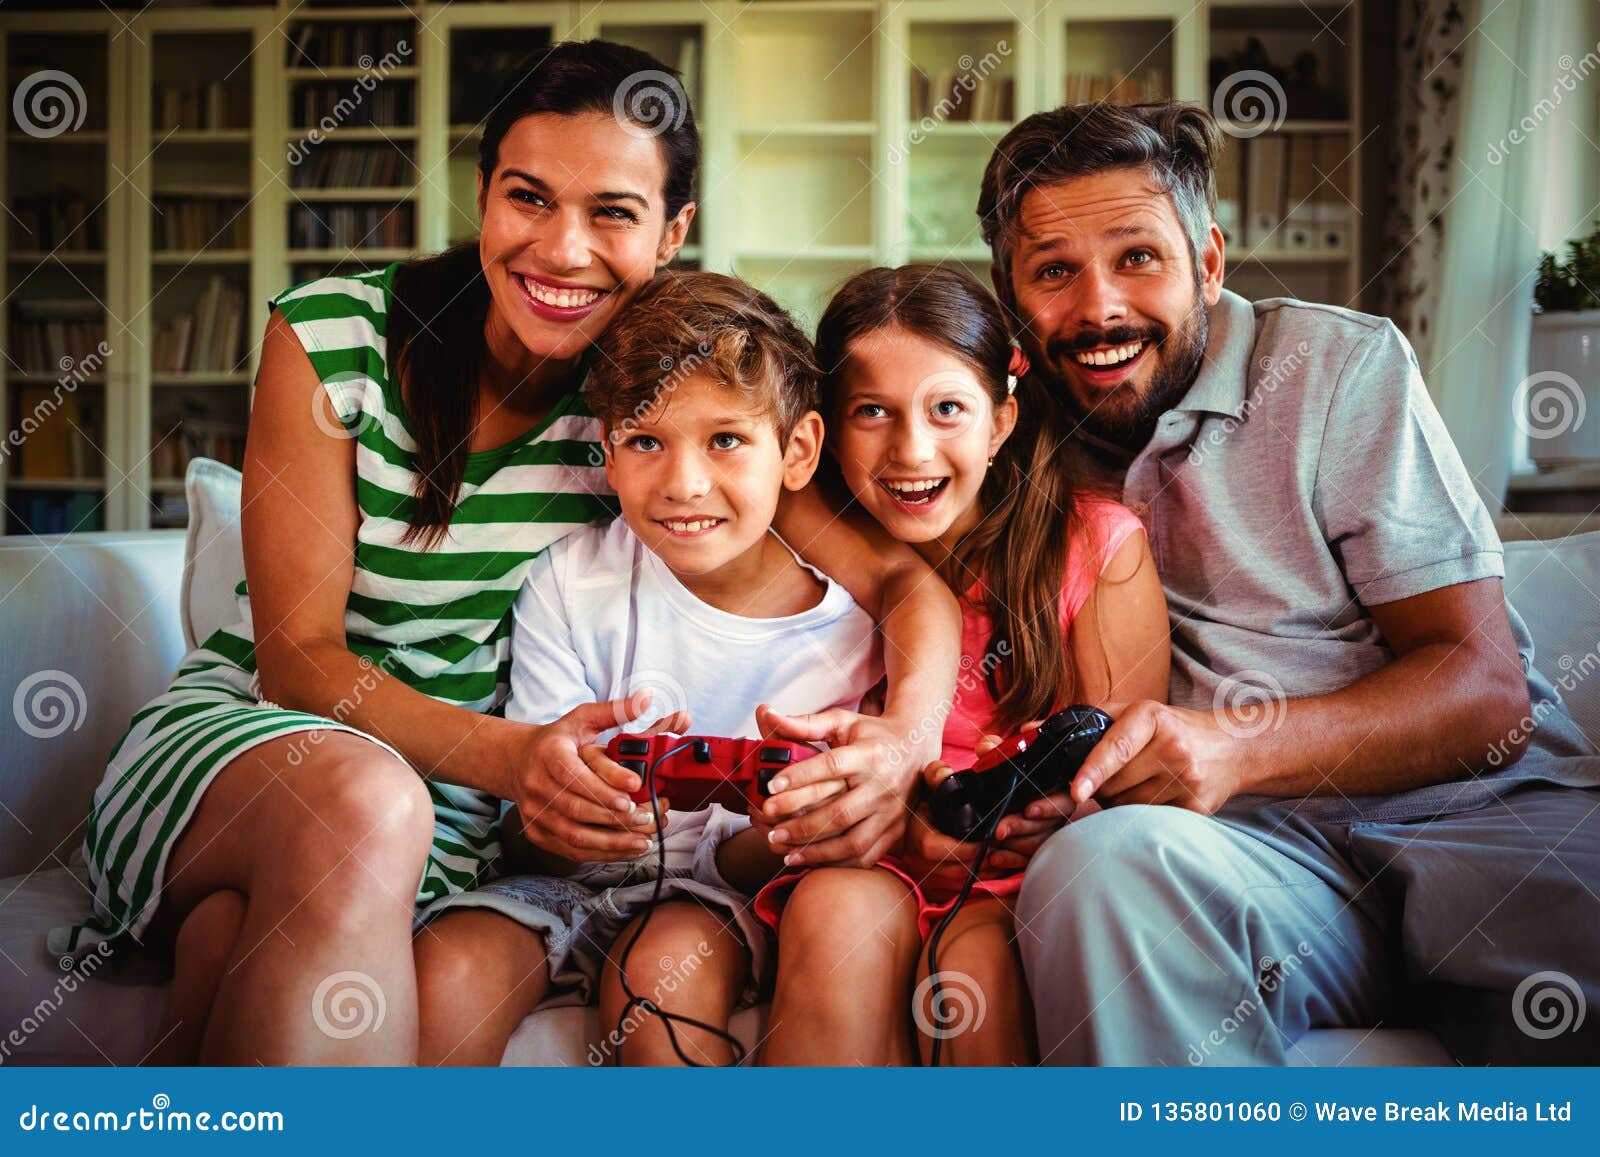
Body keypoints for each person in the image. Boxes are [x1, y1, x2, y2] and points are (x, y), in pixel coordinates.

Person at [50, 41, 957, 1066]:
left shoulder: (658, 396)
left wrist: (903, 741)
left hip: (476, 831)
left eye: (613, 211)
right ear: (484, 196)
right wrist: (518, 761)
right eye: (529, 198)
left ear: (674, 231)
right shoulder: (333, 338)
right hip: (279, 749)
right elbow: (297, 657)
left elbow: (898, 580)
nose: (563, 249)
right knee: (363, 807)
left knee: (229, 949)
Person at [977, 100, 1600, 1064]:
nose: (1098, 308)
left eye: (1138, 257)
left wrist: (1234, 746)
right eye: (1054, 271)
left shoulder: (1336, 367)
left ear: (1210, 263)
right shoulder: (991, 436)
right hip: (1261, 866)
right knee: (1097, 869)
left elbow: (1484, 689)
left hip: (1485, 824)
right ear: (1011, 296)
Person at [412, 270, 885, 1066]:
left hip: (711, 897)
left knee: (662, 971)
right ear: (608, 451)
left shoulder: (851, 634)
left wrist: (778, 833)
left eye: (726, 440)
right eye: (645, 440)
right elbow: (530, 836)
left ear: (797, 450)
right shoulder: (568, 579)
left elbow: (738, 866)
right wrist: (569, 802)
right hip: (555, 885)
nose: (683, 482)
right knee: (446, 969)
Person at [753, 265, 1169, 1065]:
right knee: (833, 915)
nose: (911, 449)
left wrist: (1039, 823)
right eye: (871, 412)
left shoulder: (1094, 547)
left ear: (1001, 419)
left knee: (974, 967)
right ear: (826, 431)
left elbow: (1122, 779)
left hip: (1014, 878)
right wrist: (904, 827)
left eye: (948, 409)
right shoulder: (819, 549)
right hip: (871, 856)